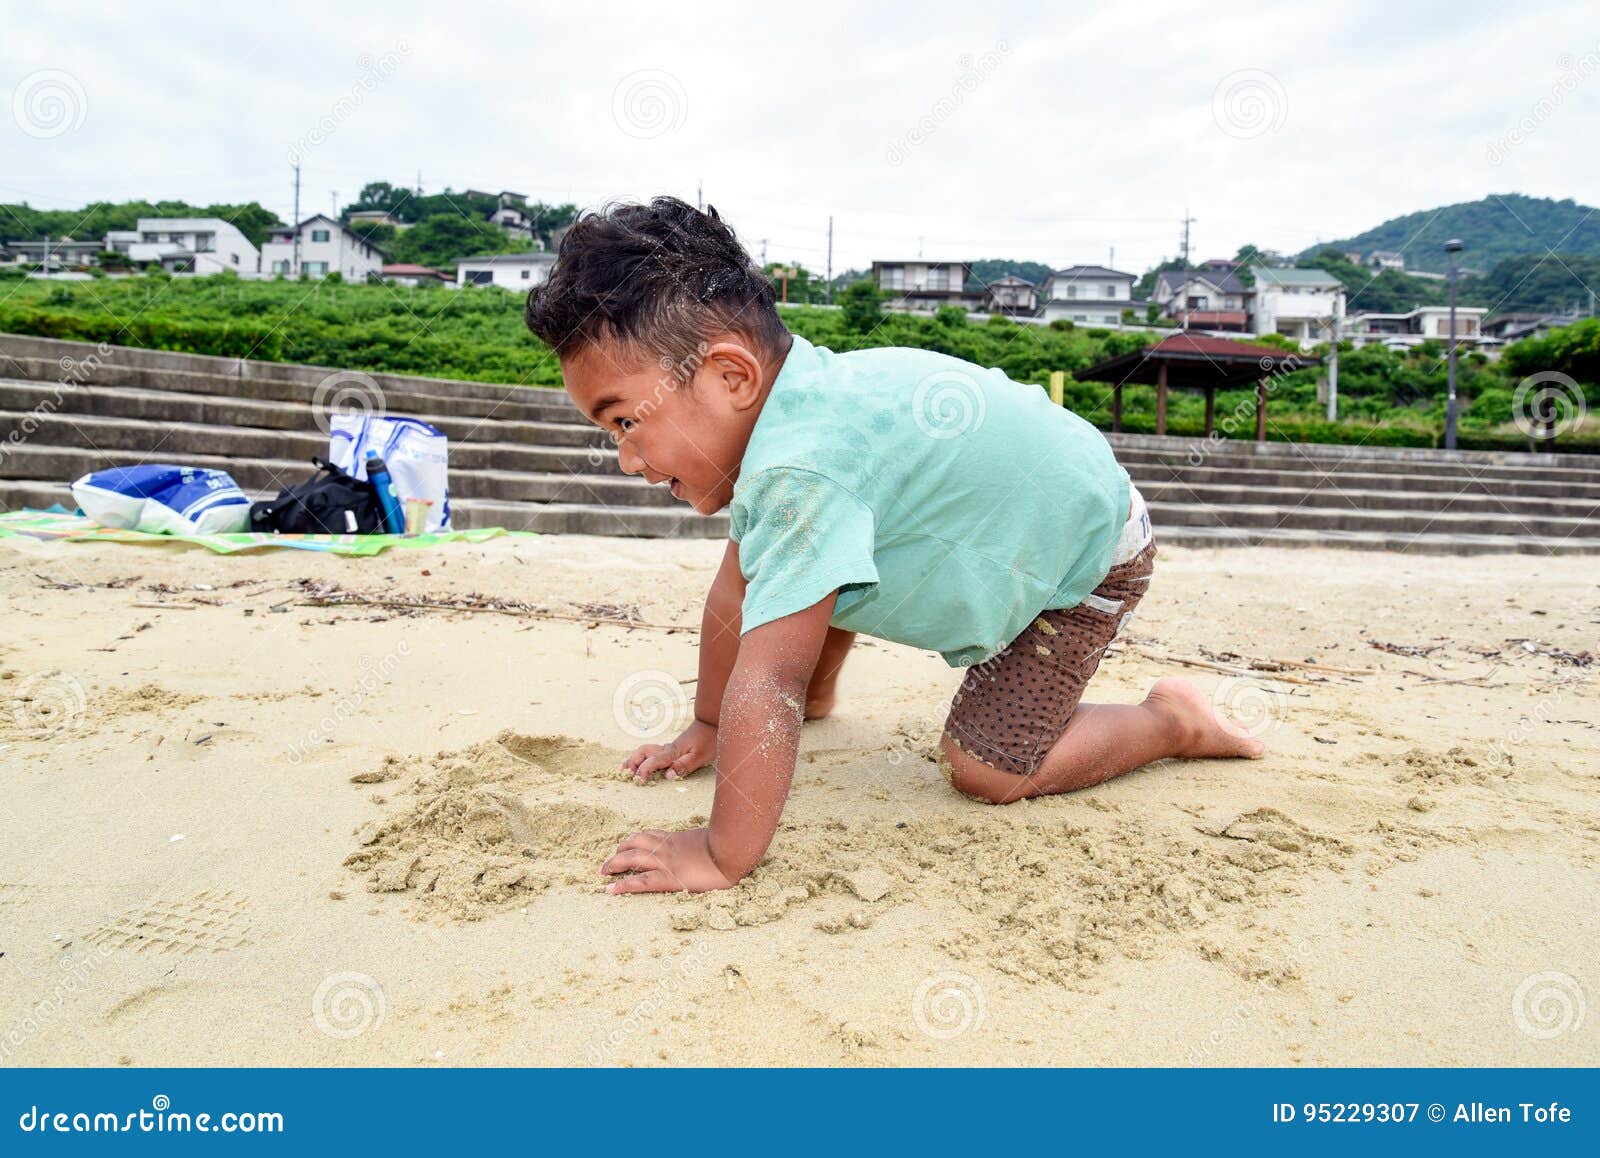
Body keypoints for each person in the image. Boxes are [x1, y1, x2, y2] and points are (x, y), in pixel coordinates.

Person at [523, 197, 1263, 896]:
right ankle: (827, 690)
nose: (624, 457)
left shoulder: (800, 467)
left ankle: (1171, 721)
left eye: (625, 422)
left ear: (730, 375)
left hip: (1081, 560)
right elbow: (736, 589)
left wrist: (722, 851)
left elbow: (769, 677)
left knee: (987, 769)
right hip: (1006, 519)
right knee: (793, 572)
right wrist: (713, 724)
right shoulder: (796, 416)